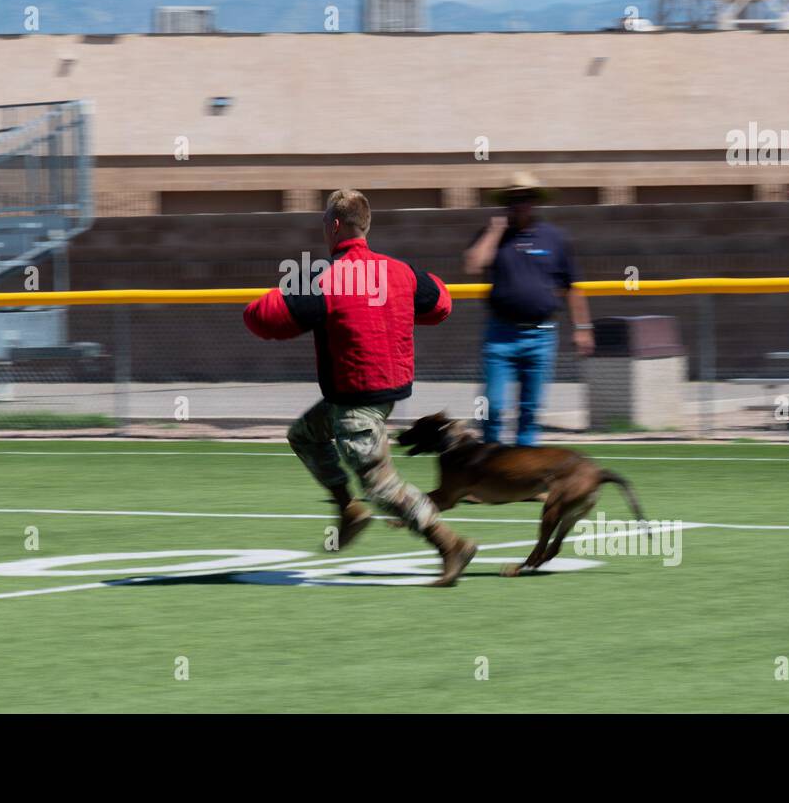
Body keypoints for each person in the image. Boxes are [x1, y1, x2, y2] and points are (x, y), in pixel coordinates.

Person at [244, 188, 477, 587]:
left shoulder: (324, 279)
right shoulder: (399, 272)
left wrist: (296, 290)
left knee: (382, 487)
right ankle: (347, 508)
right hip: (383, 394)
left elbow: (260, 318)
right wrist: (393, 309)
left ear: (334, 226)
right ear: (364, 226)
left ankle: (449, 543)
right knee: (304, 435)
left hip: (355, 404)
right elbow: (441, 303)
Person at [463, 171, 594, 446]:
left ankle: (523, 476)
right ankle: (489, 467)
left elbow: (573, 286)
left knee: (530, 411)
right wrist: (496, 231)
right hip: (501, 335)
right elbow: (474, 264)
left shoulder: (554, 238)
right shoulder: (494, 236)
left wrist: (583, 328)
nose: (519, 204)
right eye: (513, 199)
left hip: (541, 336)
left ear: (535, 202)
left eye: (525, 198)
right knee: (495, 407)